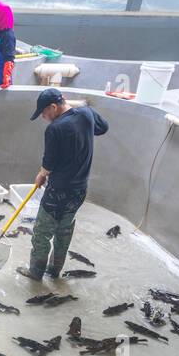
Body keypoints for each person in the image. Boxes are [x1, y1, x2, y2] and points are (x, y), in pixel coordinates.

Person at [22, 88, 109, 279]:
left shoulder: (55, 129)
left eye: (44, 113)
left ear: (53, 107)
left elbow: (49, 163)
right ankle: (54, 270)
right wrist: (79, 110)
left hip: (58, 190)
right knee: (64, 230)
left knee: (42, 232)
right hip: (79, 190)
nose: (44, 117)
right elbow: (103, 128)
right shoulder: (86, 114)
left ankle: (36, 272)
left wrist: (41, 175)